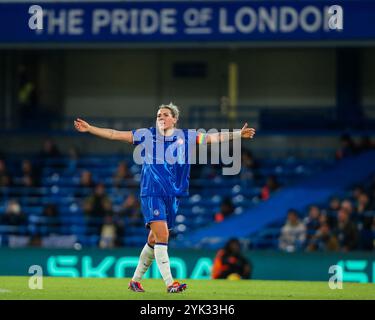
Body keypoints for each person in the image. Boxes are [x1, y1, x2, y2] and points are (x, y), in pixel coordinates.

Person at [74, 102, 255, 293]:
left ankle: (135, 281)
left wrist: (238, 134)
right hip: (152, 192)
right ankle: (170, 283)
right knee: (163, 235)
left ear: (174, 119)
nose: (161, 117)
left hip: (173, 195)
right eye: (158, 114)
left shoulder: (187, 136)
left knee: (153, 239)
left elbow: (213, 137)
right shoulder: (147, 135)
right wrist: (90, 128)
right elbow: (114, 134)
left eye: (165, 114)